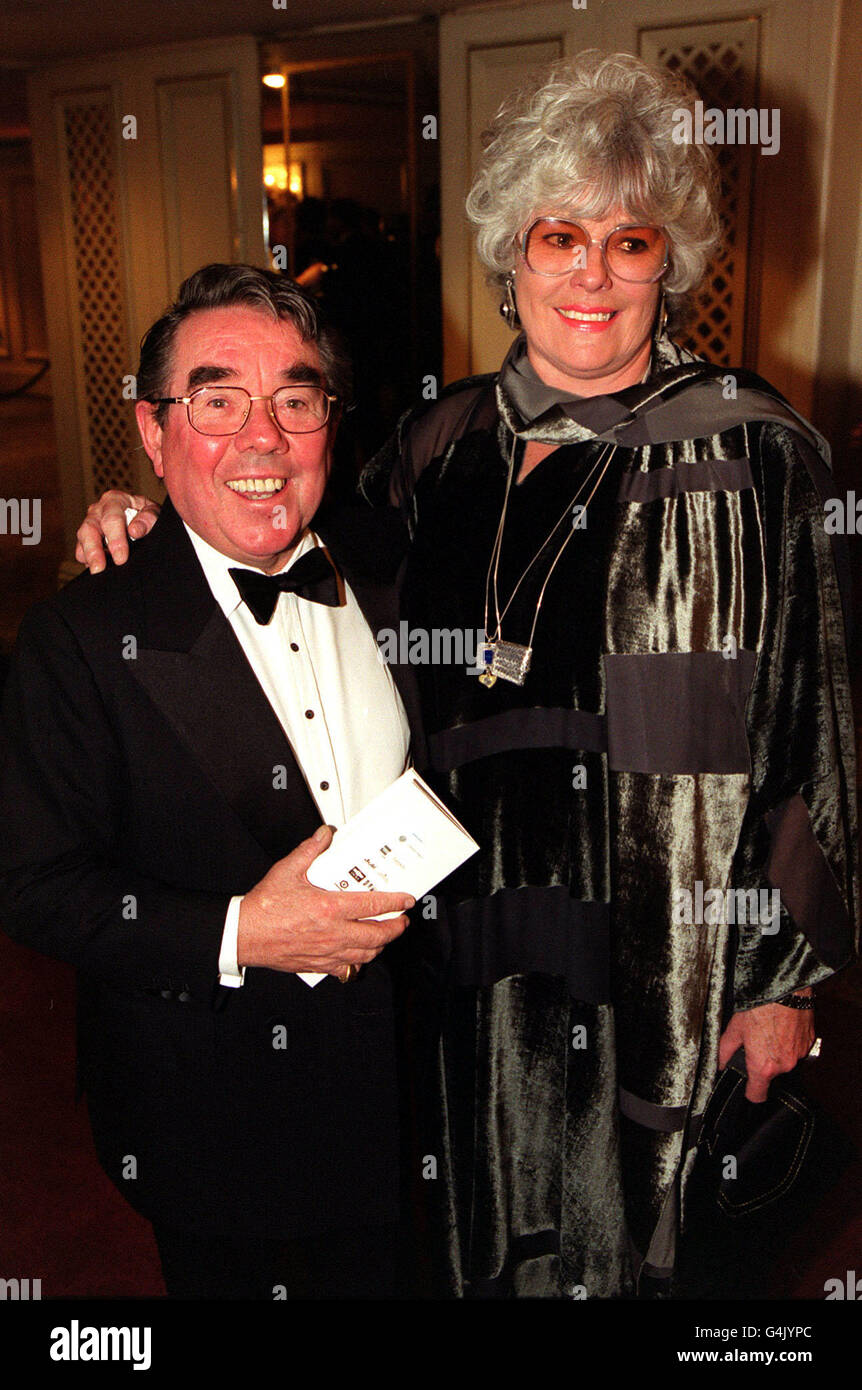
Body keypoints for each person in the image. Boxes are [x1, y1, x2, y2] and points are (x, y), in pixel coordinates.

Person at [75, 52, 858, 1300]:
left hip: (659, 939)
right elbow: (280, 535)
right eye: (560, 235)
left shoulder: (752, 457)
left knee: (629, 1236)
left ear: (675, 259)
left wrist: (786, 978)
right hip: (458, 933)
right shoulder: (436, 450)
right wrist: (158, 518)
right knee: (469, 1229)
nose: (592, 274)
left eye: (631, 239)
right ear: (512, 253)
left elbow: (819, 731)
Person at [0, 264, 421, 1299]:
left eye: (296, 399)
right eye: (217, 399)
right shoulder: (83, 633)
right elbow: (33, 885)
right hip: (217, 1114)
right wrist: (239, 932)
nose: (262, 437)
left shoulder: (395, 567)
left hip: (413, 1087)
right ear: (153, 433)